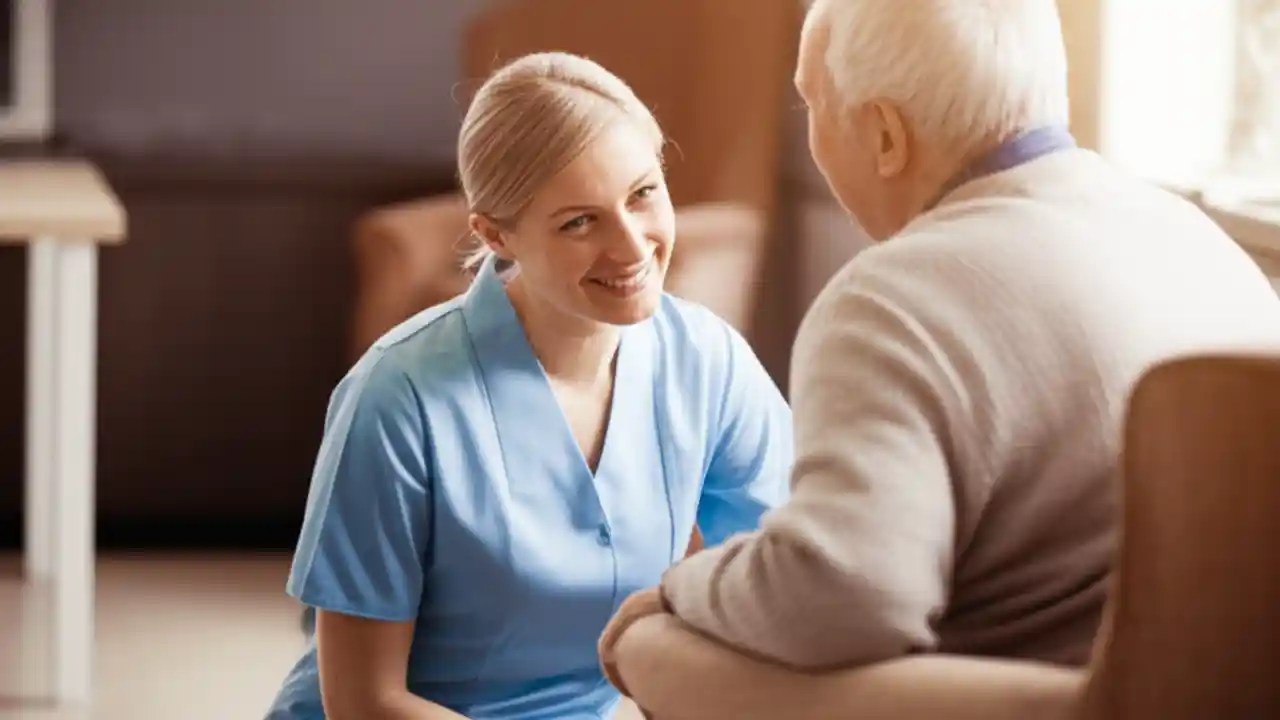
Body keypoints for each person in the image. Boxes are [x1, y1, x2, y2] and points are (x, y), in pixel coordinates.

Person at [599, 0, 1280, 710]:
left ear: (886, 135)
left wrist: (686, 587)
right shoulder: (1198, 238)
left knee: (653, 640)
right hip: (1220, 692)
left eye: (813, 108)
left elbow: (844, 596)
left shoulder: (889, 298)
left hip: (1063, 696)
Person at [265, 52, 792, 720]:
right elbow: (365, 703)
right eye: (579, 221)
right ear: (496, 233)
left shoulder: (707, 362)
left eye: (643, 193)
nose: (632, 247)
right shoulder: (397, 398)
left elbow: (781, 583)